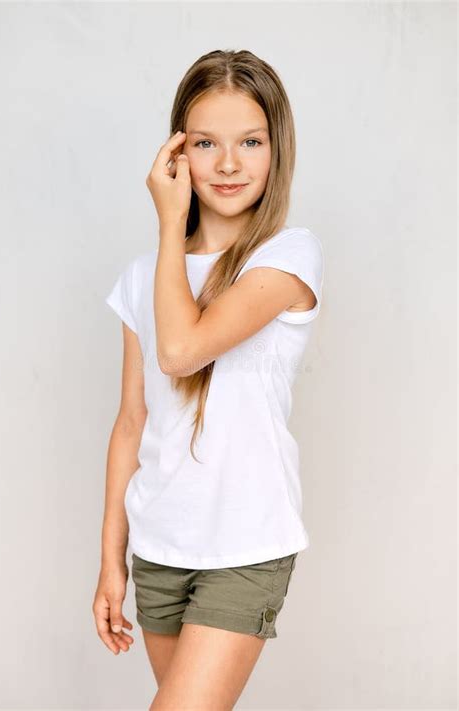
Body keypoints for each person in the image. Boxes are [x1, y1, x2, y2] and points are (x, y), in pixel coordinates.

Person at [93, 48, 324, 710]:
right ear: (177, 152)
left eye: (250, 141)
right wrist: (111, 561)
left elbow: (181, 351)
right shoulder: (142, 278)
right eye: (205, 143)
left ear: (277, 150)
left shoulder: (288, 256)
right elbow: (132, 422)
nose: (227, 164)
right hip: (160, 546)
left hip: (246, 544)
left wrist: (170, 220)